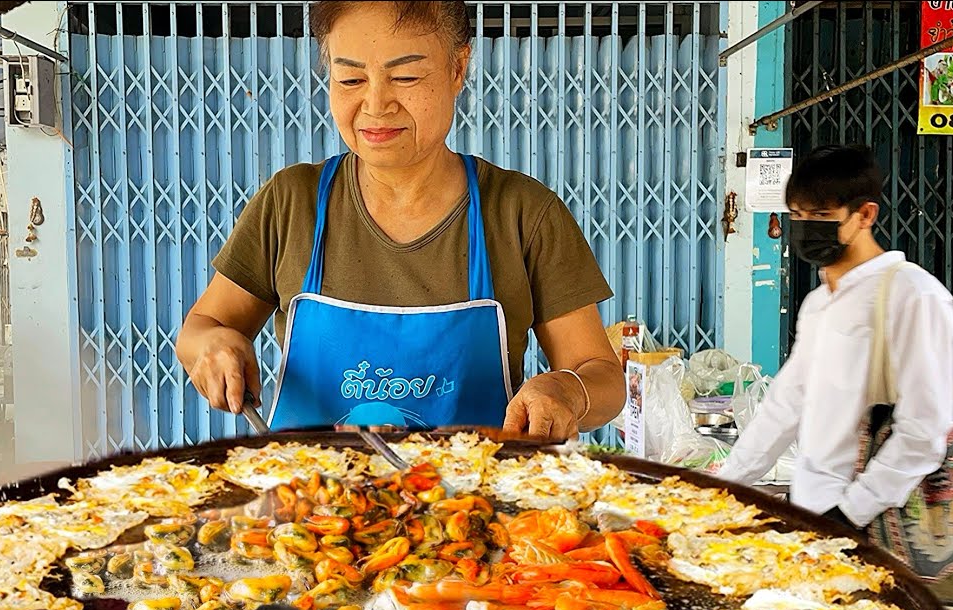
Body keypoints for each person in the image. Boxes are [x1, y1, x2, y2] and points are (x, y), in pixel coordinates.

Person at [178, 0, 624, 439]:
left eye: (405, 76)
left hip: (470, 502)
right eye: (350, 78)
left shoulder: (523, 213)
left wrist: (566, 390)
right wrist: (211, 347)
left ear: (457, 68)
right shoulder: (291, 203)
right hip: (307, 502)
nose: (376, 104)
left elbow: (603, 375)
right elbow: (199, 330)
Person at [718, 145, 953, 530]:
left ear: (865, 214)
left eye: (821, 215)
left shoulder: (913, 295)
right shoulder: (818, 303)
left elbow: (926, 428)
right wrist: (724, 484)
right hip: (809, 510)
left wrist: (851, 514)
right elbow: (786, 405)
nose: (806, 226)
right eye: (797, 214)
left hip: (874, 523)